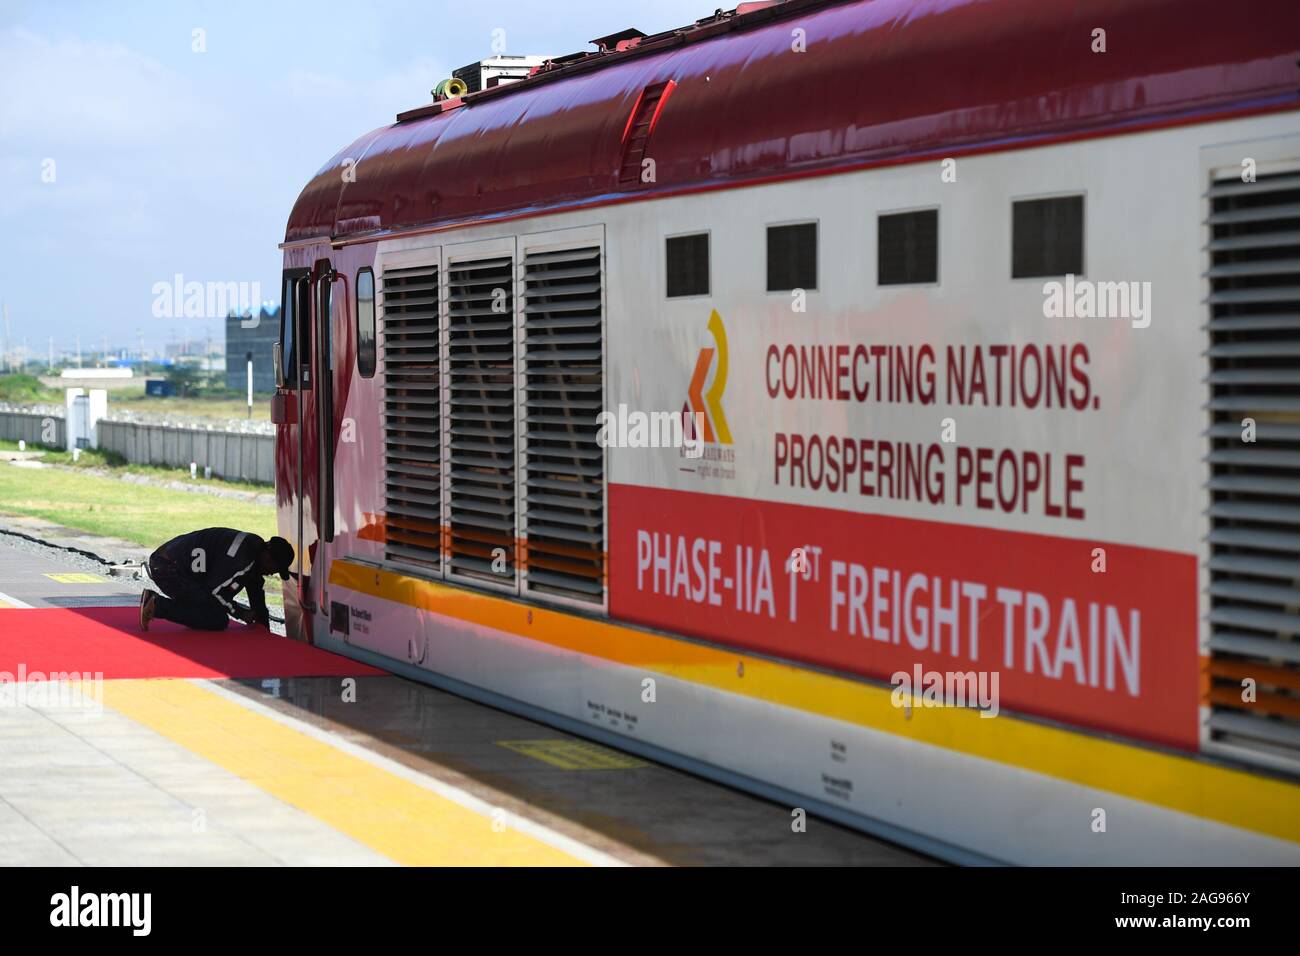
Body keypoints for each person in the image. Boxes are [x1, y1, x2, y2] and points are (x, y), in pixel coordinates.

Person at [139, 528, 293, 632]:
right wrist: (240, 613)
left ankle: (158, 604)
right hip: (168, 569)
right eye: (275, 570)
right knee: (216, 618)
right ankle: (157, 605)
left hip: (172, 563)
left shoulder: (254, 550)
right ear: (268, 560)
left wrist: (262, 626)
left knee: (212, 607)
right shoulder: (242, 559)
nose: (273, 574)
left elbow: (255, 588)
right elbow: (215, 592)